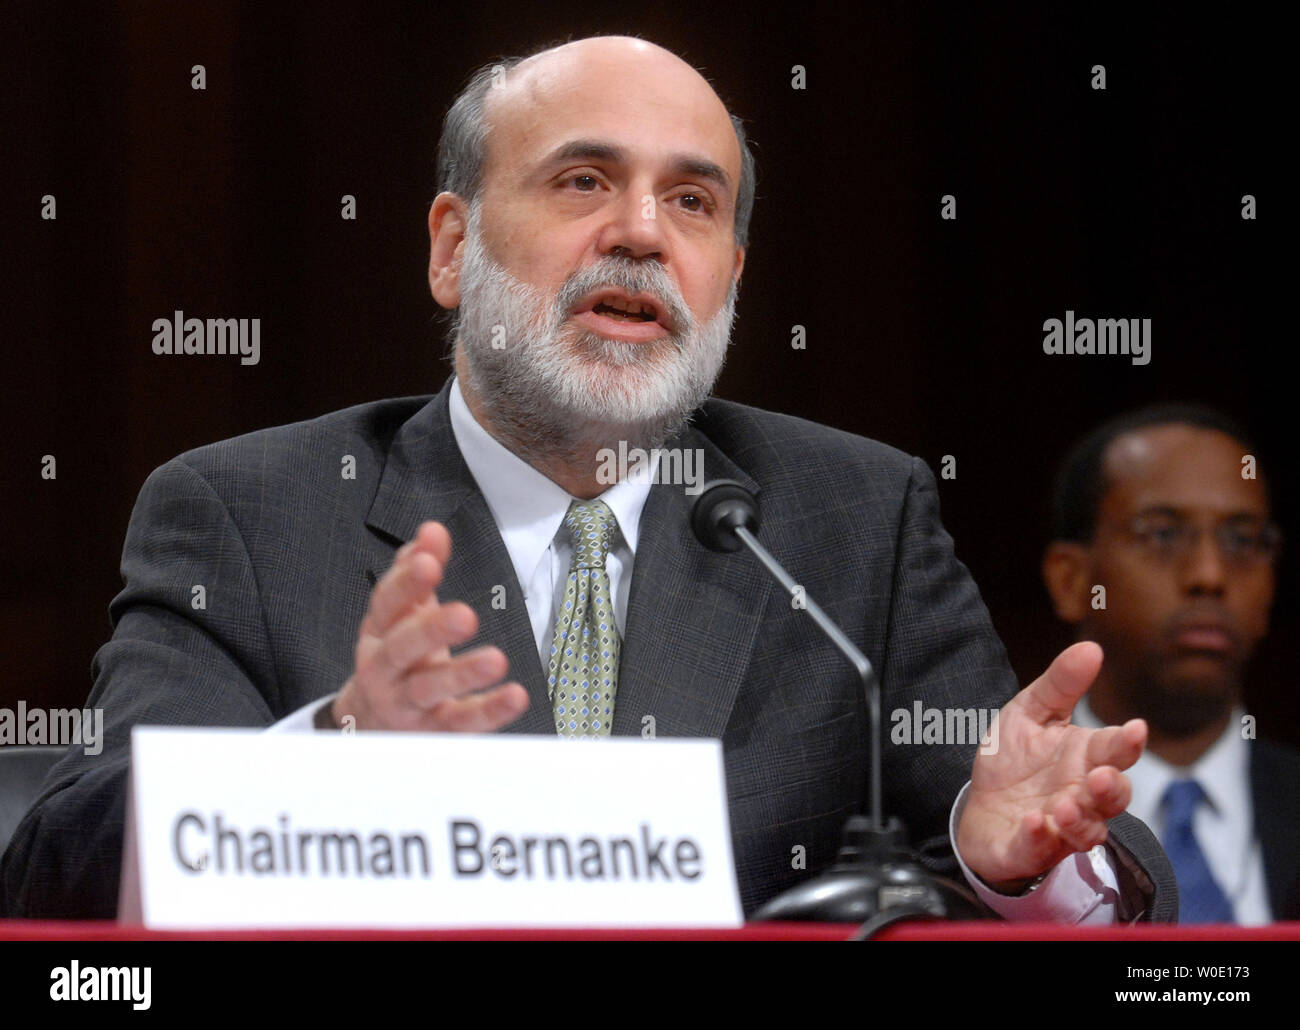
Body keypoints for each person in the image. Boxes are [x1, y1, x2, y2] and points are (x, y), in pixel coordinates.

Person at [3, 35, 1173, 922]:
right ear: (452, 247)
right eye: (581, 182)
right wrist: (345, 751)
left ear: (730, 274)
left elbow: (1066, 863)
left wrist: (1008, 850)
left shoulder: (852, 519)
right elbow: (64, 873)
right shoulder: (248, 513)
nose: (641, 233)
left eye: (693, 201)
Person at [1043, 404, 1297, 922]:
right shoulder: (1001, 827)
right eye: (1161, 533)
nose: (1209, 574)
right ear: (1071, 581)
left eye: (1242, 541)